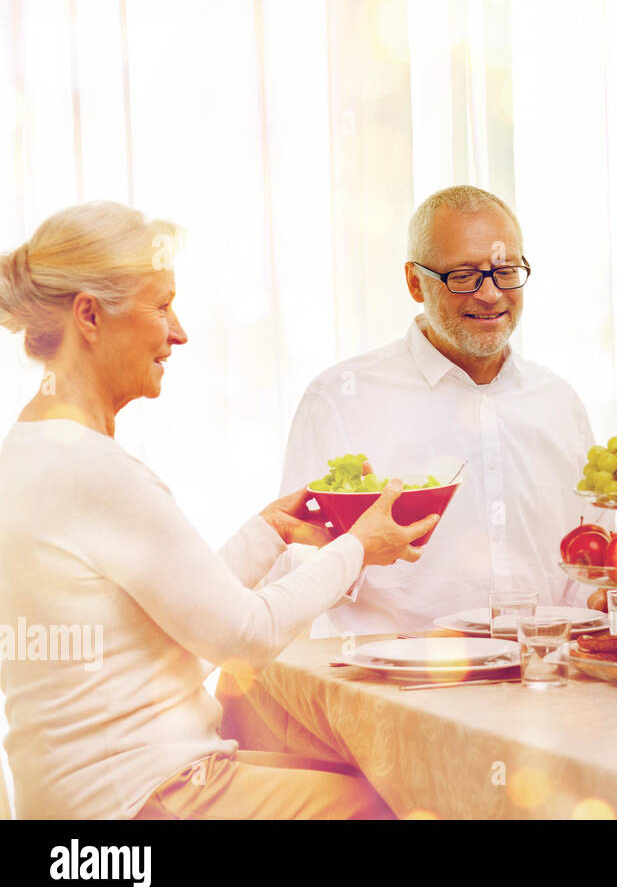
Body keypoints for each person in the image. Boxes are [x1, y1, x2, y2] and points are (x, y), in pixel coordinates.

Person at [0, 202, 438, 819]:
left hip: (86, 801)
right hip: (142, 800)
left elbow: (184, 627)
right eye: (161, 305)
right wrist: (361, 547)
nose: (178, 332)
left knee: (363, 779)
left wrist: (269, 534)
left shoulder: (31, 451)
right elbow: (245, 637)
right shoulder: (93, 471)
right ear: (90, 315)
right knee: (403, 804)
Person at [279, 185, 598, 634]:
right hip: (393, 687)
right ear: (414, 282)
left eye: (506, 271)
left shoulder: (558, 402)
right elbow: (301, 565)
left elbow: (587, 569)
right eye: (464, 275)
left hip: (539, 682)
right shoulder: (339, 398)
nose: (490, 295)